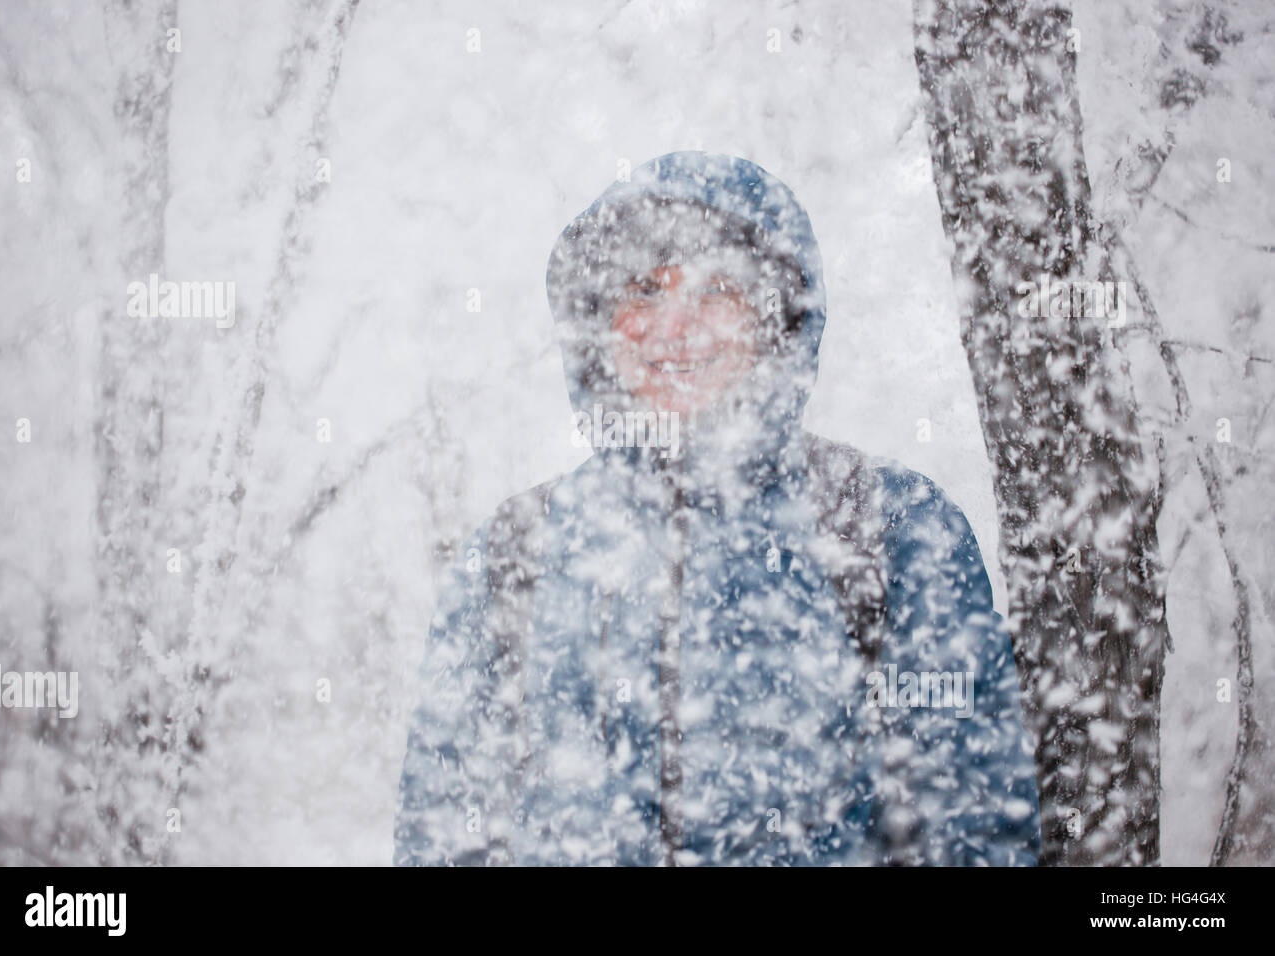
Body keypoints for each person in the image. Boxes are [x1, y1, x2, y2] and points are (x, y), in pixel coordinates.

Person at [394, 151, 1042, 866]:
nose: (675, 325)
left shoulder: (890, 528)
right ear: (601, 327)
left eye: (716, 292)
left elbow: (976, 830)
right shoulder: (519, 549)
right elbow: (444, 833)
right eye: (643, 289)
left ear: (775, 324)